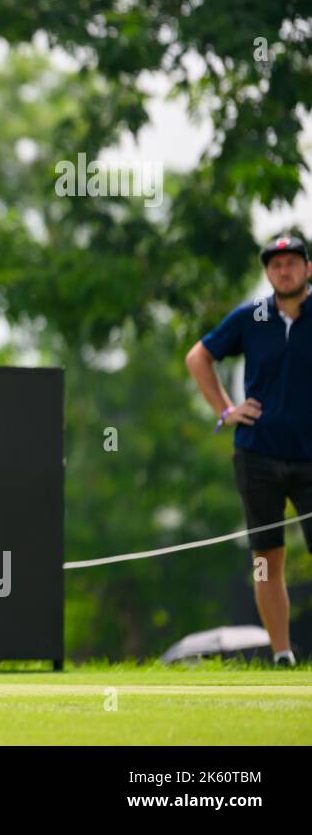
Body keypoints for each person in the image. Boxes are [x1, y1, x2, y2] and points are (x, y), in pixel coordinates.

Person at [186, 234, 312, 667]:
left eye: (292, 262)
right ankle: (282, 653)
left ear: (307, 269)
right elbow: (198, 357)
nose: (284, 270)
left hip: (311, 457)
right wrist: (225, 410)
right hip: (257, 455)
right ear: (268, 273)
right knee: (266, 559)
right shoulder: (250, 318)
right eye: (276, 264)